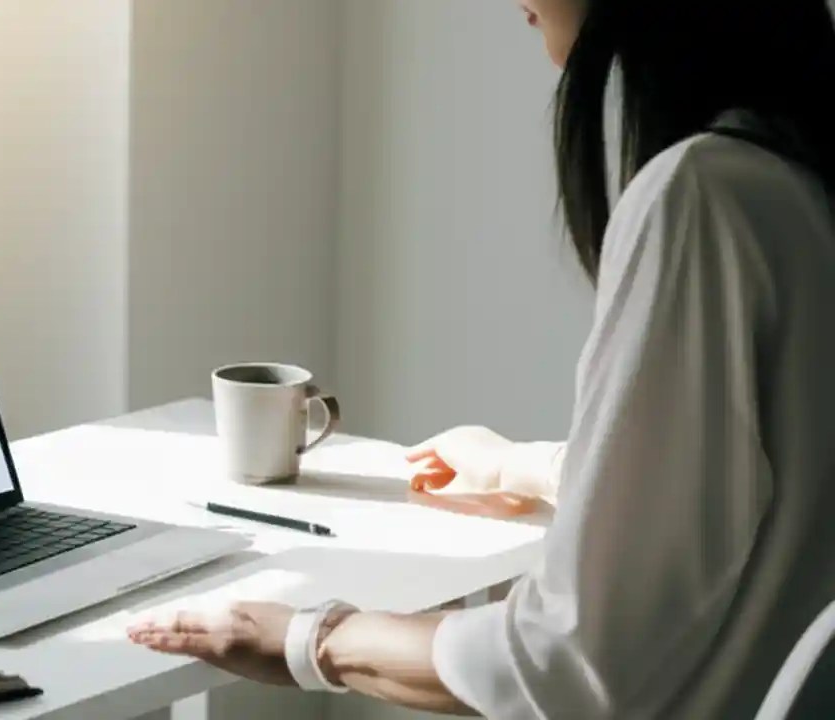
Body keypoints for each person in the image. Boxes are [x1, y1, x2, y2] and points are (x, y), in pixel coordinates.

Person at [127, 0, 835, 716]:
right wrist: (521, 466)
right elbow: (756, 472)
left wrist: (309, 639)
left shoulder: (702, 197)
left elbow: (570, 663)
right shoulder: (796, 175)